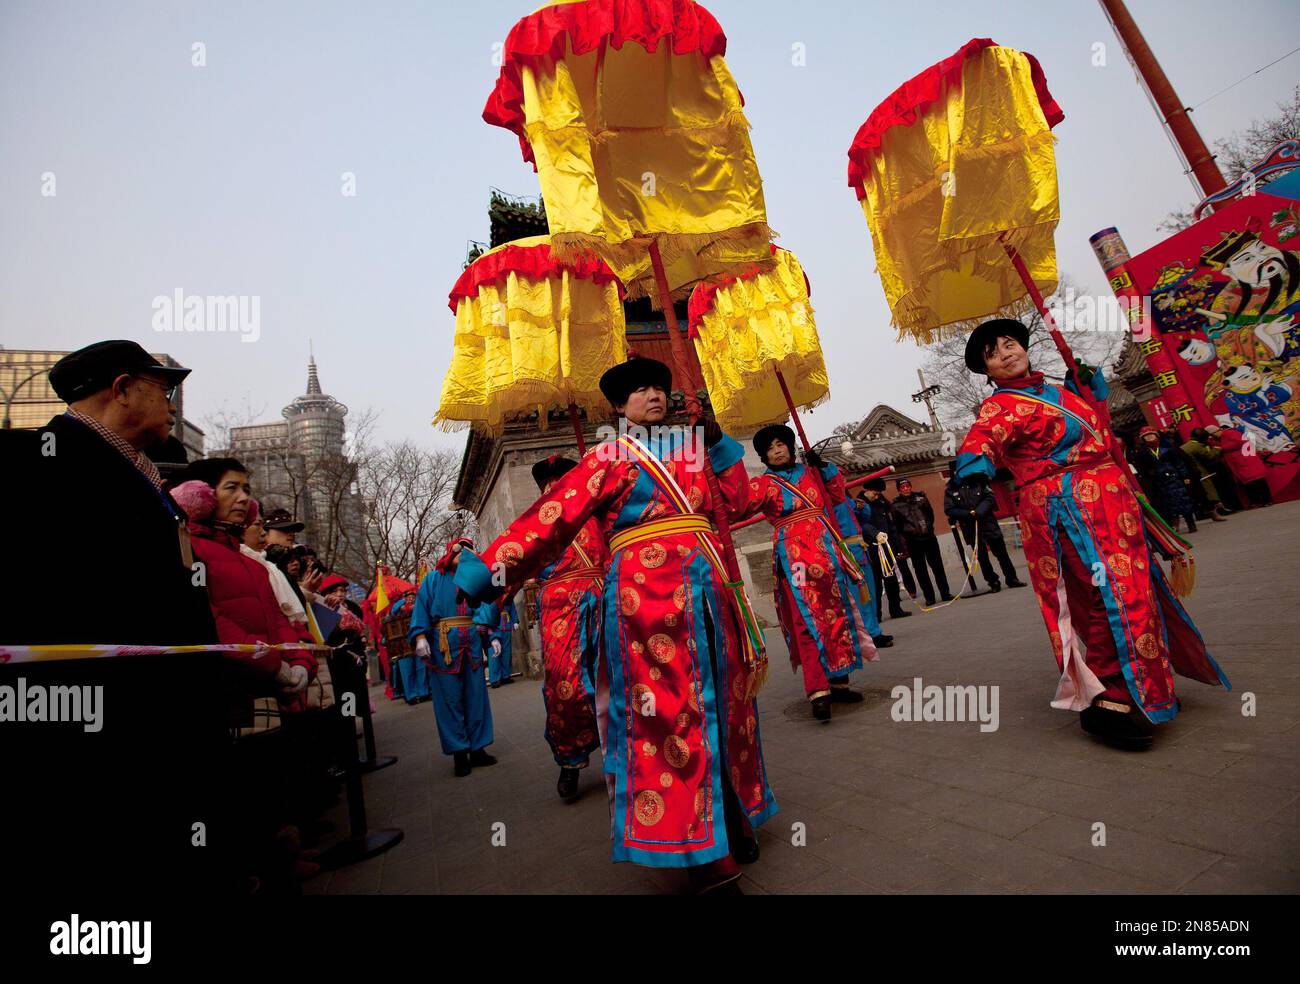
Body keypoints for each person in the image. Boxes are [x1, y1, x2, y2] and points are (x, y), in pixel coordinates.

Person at [454, 356, 773, 893]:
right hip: (646, 604)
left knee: (728, 703)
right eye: (641, 390)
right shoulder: (608, 456)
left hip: (711, 592)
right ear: (620, 407)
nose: (653, 396)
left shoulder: (694, 452)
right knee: (672, 714)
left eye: (659, 388)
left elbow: (738, 503)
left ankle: (733, 812)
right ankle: (696, 845)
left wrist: (720, 447)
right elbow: (550, 520)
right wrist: (491, 571)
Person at [953, 318, 1230, 749]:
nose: (1007, 352)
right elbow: (982, 440)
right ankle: (1107, 698)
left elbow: (1101, 430)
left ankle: (1144, 684)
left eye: (1011, 343)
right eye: (994, 352)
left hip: (1113, 505)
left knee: (1136, 590)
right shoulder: (1001, 406)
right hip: (1066, 508)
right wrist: (972, 474)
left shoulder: (1059, 393)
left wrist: (1088, 389)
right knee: (1104, 597)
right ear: (987, 370)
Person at [0, 339, 216, 645]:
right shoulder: (23, 464)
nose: (171, 407)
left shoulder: (150, 482)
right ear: (122, 389)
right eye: (164, 391)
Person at [744, 424, 877, 720]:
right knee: (807, 621)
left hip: (827, 554)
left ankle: (840, 682)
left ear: (791, 447)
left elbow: (838, 496)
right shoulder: (764, 484)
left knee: (837, 616)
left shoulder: (812, 474)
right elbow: (741, 504)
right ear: (764, 456)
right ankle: (818, 690)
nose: (777, 450)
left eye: (781, 444)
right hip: (796, 563)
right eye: (770, 448)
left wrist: (826, 468)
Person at [170, 459, 317, 722]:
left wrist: (300, 663)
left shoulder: (253, 564)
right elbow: (209, 621)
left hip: (275, 693)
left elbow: (280, 621)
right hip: (228, 697)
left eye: (246, 490)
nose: (242, 498)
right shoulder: (187, 551)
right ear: (199, 496)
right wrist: (274, 666)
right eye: (231, 488)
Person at [528, 455, 605, 801]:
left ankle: (627, 755)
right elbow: (511, 561)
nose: (557, 486)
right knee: (565, 685)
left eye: (564, 480)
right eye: (550, 482)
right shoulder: (532, 525)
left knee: (618, 678)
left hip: (604, 598)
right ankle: (571, 760)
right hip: (558, 608)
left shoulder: (598, 511)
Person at [408, 537, 499, 777]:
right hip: (443, 646)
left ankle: (478, 748)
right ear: (450, 552)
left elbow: (486, 609)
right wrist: (420, 637)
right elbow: (421, 608)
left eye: (470, 550)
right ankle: (460, 753)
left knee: (476, 697)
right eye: (461, 550)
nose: (466, 554)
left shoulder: (476, 581)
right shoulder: (433, 580)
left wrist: (492, 636)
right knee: (449, 700)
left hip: (472, 644)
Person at [942, 468, 1027, 593]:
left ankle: (1012, 578)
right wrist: (968, 514)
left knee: (1002, 554)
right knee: (982, 558)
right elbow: (949, 509)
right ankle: (993, 582)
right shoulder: (951, 490)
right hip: (971, 527)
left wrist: (979, 512)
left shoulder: (979, 482)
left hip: (988, 523)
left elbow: (989, 498)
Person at [853, 482, 914, 621]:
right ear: (867, 490)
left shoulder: (882, 504)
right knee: (875, 583)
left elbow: (890, 524)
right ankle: (877, 614)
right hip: (870, 547)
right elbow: (861, 524)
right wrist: (874, 534)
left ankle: (896, 609)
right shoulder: (859, 505)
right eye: (875, 493)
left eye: (878, 493)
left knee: (891, 579)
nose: (876, 496)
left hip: (885, 546)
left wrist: (895, 545)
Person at [890, 478, 954, 604]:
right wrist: (907, 536)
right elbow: (898, 525)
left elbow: (930, 515)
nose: (906, 489)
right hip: (913, 541)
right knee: (921, 570)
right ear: (899, 490)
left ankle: (945, 593)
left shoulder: (921, 498)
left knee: (938, 567)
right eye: (902, 487)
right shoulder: (896, 505)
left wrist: (928, 528)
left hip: (929, 537)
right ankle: (929, 597)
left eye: (907, 486)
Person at [1130, 427, 1198, 532]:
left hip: (1174, 478)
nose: (1149, 438)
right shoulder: (1143, 453)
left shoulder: (1168, 449)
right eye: (1146, 437)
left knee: (1183, 500)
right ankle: (1174, 525)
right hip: (1160, 482)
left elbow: (1179, 464)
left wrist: (1185, 476)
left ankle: (1190, 523)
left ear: (1157, 436)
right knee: (1168, 504)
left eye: (1151, 435)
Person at [1180, 428, 1232, 520]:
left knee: (1198, 493)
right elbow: (1209, 456)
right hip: (1200, 471)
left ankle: (1202, 513)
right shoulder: (1197, 446)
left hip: (1188, 473)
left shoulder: (1184, 446)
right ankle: (1219, 510)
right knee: (1209, 490)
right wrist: (1217, 449)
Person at [488, 593, 520, 688]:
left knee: (506, 652)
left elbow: (513, 608)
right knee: (494, 652)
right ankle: (495, 679)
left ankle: (505, 676)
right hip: (494, 626)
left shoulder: (508, 595)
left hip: (507, 625)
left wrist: (515, 621)